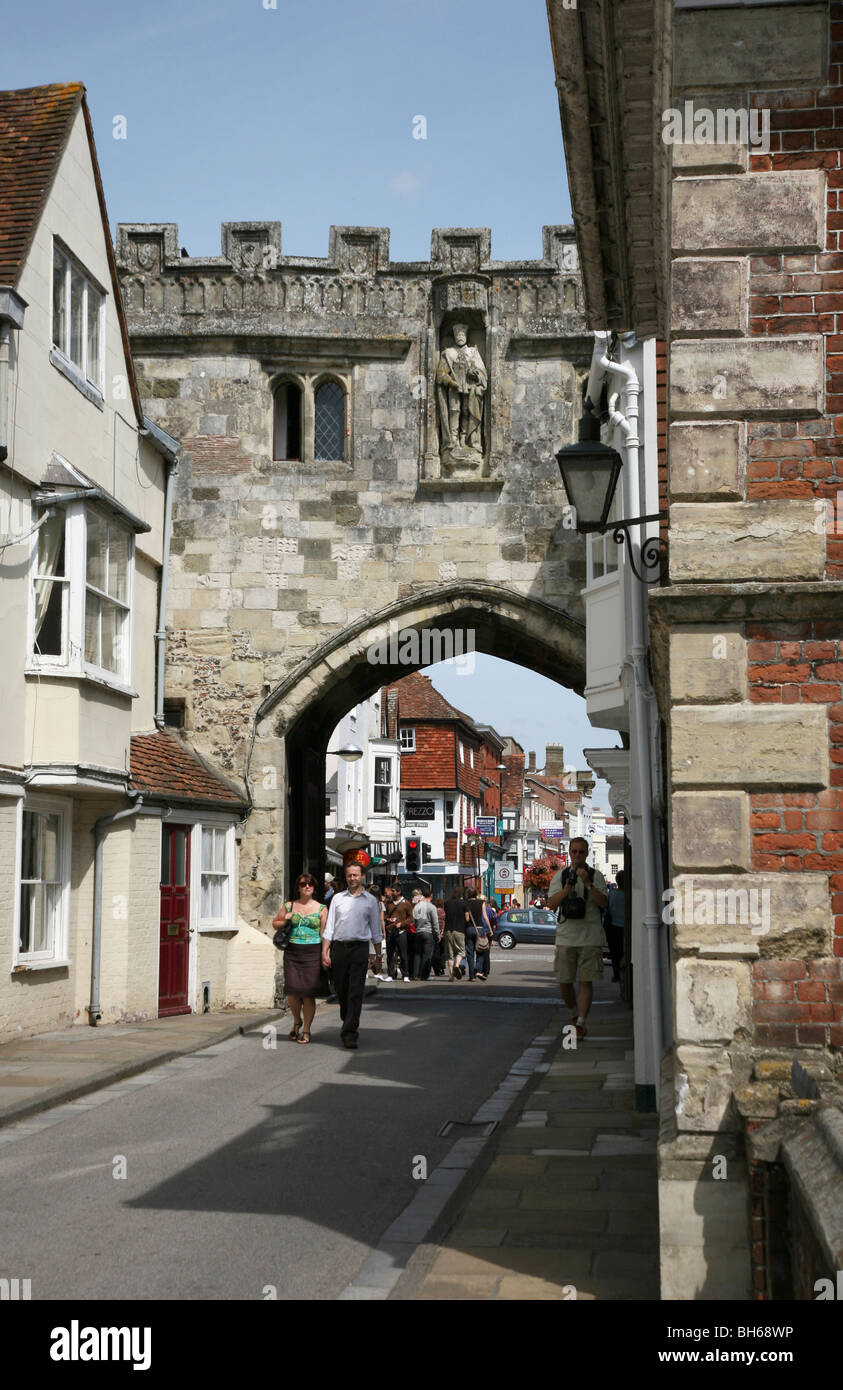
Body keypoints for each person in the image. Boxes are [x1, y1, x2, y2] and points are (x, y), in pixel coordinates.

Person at [547, 837, 608, 1040]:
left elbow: (603, 903)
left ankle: (580, 1023)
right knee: (564, 981)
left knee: (585, 981)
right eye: (574, 851)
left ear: (587, 853)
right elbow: (551, 904)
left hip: (590, 936)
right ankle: (574, 1014)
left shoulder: (595, 875)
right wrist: (566, 889)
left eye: (581, 852)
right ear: (569, 853)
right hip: (566, 937)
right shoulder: (561, 876)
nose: (577, 855)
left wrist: (588, 884)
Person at [321, 861, 382, 1048]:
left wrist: (378, 956)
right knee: (341, 989)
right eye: (349, 875)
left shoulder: (371, 901)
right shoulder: (337, 899)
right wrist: (325, 951)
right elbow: (330, 926)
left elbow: (376, 930)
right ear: (345, 877)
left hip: (359, 949)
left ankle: (350, 1033)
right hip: (339, 948)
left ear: (362, 876)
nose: (352, 878)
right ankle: (347, 1017)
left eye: (355, 875)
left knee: (355, 992)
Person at [272, 874, 328, 1044]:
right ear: (298, 887)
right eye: (303, 884)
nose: (307, 886)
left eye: (310, 884)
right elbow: (275, 923)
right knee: (292, 992)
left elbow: (325, 934)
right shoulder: (289, 906)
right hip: (293, 952)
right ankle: (297, 1020)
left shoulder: (321, 909)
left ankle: (306, 1030)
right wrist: (285, 920)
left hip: (312, 951)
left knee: (308, 994)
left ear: (314, 887)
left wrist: (325, 954)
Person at [384, 885, 413, 980]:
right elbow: (384, 915)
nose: (391, 893)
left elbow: (411, 918)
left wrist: (402, 924)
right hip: (390, 931)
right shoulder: (388, 903)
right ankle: (391, 974)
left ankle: (405, 974)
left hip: (401, 932)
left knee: (403, 954)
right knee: (390, 954)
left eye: (393, 891)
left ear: (399, 892)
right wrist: (388, 919)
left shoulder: (406, 903)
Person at [603, 869, 625, 984]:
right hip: (626, 929)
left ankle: (616, 974)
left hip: (613, 928)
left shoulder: (611, 894)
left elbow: (607, 909)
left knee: (615, 954)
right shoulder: (630, 895)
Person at [412, 887, 439, 980]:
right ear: (431, 896)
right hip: (428, 932)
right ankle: (424, 975)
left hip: (418, 932)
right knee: (427, 955)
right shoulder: (432, 907)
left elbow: (414, 921)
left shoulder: (417, 906)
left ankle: (415, 975)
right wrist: (437, 934)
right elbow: (435, 922)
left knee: (417, 954)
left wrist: (417, 928)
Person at [367, 884, 392, 982]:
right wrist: (383, 931)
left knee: (368, 952)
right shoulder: (380, 904)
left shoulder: (367, 903)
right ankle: (377, 972)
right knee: (377, 952)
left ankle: (366, 972)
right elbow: (382, 919)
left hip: (366, 928)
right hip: (376, 929)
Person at [443, 884, 467, 980]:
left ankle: (451, 976)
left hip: (448, 930)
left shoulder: (447, 903)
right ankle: (457, 965)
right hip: (460, 930)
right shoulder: (464, 903)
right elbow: (467, 918)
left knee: (450, 954)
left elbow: (446, 916)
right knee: (461, 951)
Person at [432, 897, 446, 976]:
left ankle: (437, 969)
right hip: (443, 933)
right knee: (442, 951)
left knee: (436, 951)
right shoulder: (444, 912)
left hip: (435, 934)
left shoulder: (434, 911)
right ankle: (442, 966)